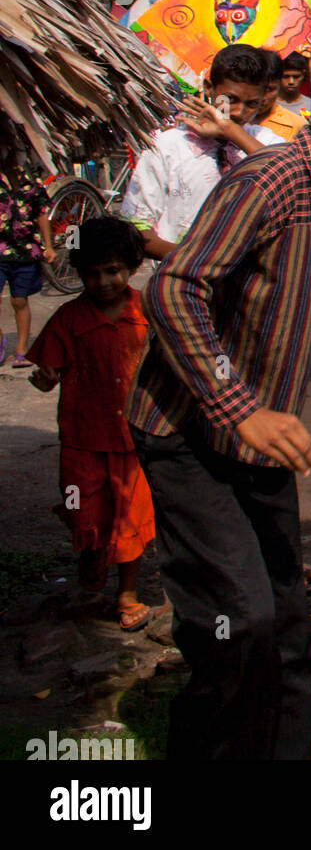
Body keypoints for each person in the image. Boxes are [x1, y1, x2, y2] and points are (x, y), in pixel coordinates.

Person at [126, 35, 311, 760]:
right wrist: (241, 407)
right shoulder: (270, 181)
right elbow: (173, 287)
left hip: (253, 442)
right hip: (188, 432)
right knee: (241, 626)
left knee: (288, 629)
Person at [27, 218, 154, 630]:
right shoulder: (68, 318)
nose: (102, 282)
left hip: (135, 441)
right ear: (79, 273)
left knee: (131, 519)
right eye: (92, 273)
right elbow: (47, 373)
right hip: (83, 440)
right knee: (85, 515)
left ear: (132, 267)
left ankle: (127, 594)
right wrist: (45, 378)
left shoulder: (147, 314)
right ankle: (90, 572)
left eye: (112, 271)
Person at [121, 44, 282, 262]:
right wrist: (193, 260)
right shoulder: (169, 145)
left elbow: (286, 175)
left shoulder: (265, 140)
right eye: (230, 100)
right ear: (208, 88)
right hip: (180, 281)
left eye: (251, 104)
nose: (238, 112)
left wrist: (230, 130)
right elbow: (138, 225)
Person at [0, 138, 55, 368]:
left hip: (25, 251)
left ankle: (22, 347)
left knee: (19, 300)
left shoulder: (30, 185)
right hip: (1, 251)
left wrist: (49, 245)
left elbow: (42, 214)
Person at [256, 49, 308, 141]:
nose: (263, 97)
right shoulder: (230, 120)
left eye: (270, 90)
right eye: (257, 89)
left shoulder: (298, 126)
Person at [279, 51, 311, 118]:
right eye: (286, 76)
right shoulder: (268, 105)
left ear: (303, 74)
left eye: (296, 76)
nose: (291, 81)